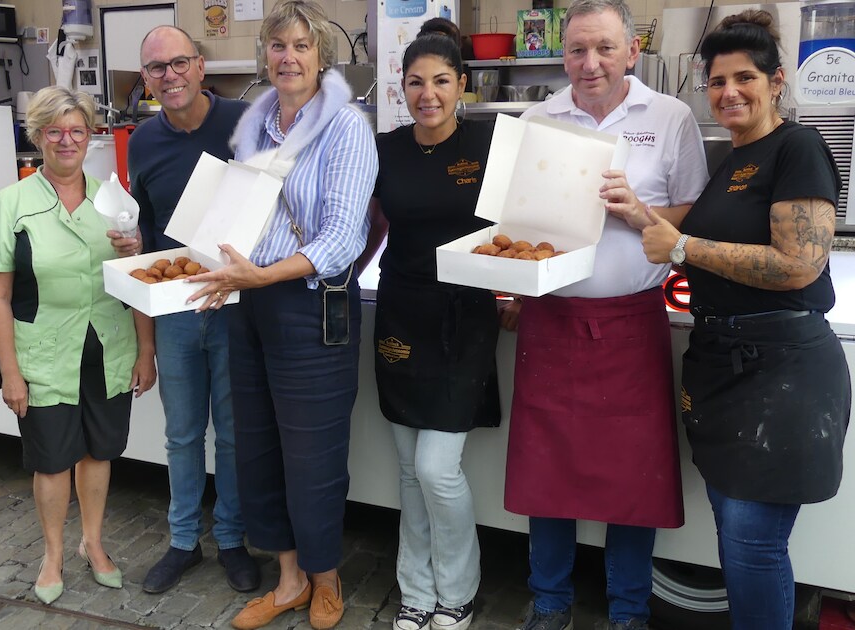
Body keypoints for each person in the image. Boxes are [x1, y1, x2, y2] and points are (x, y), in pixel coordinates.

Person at [501, 1, 709, 628]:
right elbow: (513, 221)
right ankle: (549, 602)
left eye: (604, 48)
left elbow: (692, 213)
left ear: (631, 51)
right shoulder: (537, 119)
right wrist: (508, 284)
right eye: (576, 50)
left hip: (632, 324)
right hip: (551, 321)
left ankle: (628, 610)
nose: (590, 64)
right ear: (562, 55)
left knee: (634, 479)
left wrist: (637, 211)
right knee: (546, 472)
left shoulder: (669, 117)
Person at [640, 11, 851, 628]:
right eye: (716, 81)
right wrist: (626, 209)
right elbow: (691, 231)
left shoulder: (797, 148)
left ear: (776, 81)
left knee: (753, 543)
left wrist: (683, 249)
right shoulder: (733, 161)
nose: (728, 92)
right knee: (737, 536)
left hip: (782, 371)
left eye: (744, 78)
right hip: (722, 368)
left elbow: (799, 265)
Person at [186, 1, 377, 628]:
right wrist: (213, 262)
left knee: (312, 456)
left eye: (300, 45)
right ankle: (290, 580)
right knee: (259, 447)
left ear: (322, 55)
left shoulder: (345, 127)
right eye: (277, 45)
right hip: (248, 304)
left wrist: (263, 275)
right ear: (264, 55)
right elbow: (242, 212)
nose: (288, 57)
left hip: (310, 306)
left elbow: (342, 237)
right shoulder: (256, 123)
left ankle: (326, 579)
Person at [0, 86, 156, 605]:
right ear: (37, 137)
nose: (66, 140)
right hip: (44, 353)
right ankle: (52, 554)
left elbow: (134, 279)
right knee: (53, 459)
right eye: (54, 131)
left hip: (108, 347)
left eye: (77, 130)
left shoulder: (113, 201)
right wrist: (10, 372)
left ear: (89, 136)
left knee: (99, 451)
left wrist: (146, 350)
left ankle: (93, 543)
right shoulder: (11, 204)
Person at [106, 25, 260, 596]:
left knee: (235, 434)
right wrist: (131, 245)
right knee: (182, 434)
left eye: (178, 63)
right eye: (155, 68)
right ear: (145, 80)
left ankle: (233, 540)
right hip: (173, 310)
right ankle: (183, 541)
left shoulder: (245, 121)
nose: (168, 76)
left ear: (200, 66)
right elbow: (145, 236)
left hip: (235, 304)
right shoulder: (143, 141)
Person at [356, 33, 498, 630]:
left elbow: (523, 221)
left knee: (438, 469)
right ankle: (416, 593)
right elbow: (369, 224)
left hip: (465, 317)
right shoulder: (385, 149)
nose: (428, 94)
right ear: (402, 88)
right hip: (401, 310)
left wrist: (520, 288)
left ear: (461, 84)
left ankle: (458, 591)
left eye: (441, 80)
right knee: (411, 470)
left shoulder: (488, 143)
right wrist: (337, 279)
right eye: (416, 82)